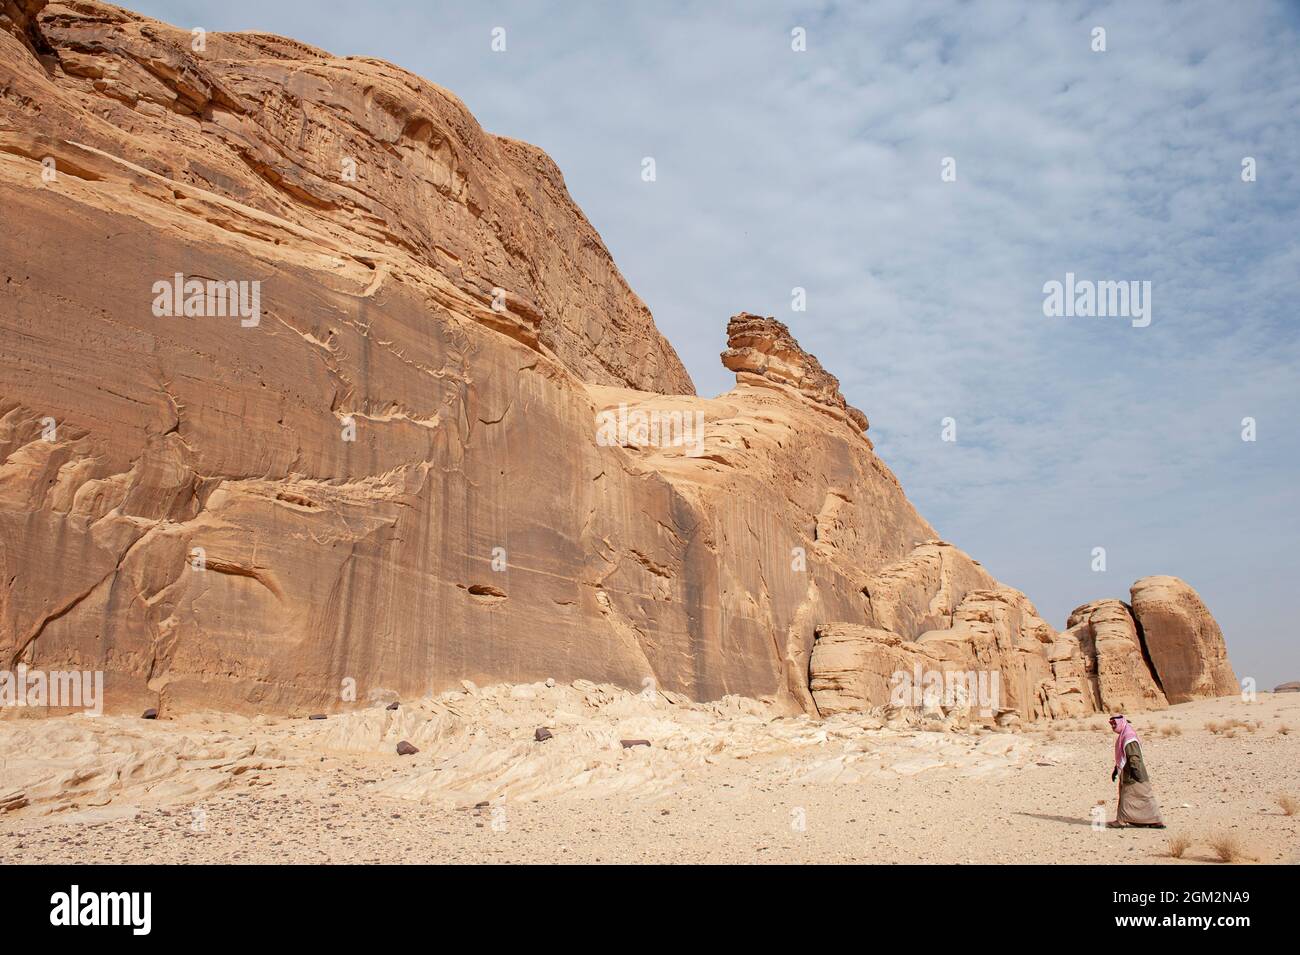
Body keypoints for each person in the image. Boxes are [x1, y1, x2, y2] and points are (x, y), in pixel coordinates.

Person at [1107, 714, 1165, 828]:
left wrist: (1136, 772)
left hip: (1134, 774)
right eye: (1112, 724)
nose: (1113, 726)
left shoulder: (1128, 737)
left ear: (1121, 723)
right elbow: (1123, 755)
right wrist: (1116, 769)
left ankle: (1154, 820)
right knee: (1129, 797)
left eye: (1115, 724)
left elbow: (1133, 756)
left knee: (1141, 796)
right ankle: (1128, 820)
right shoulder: (1124, 736)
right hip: (1129, 773)